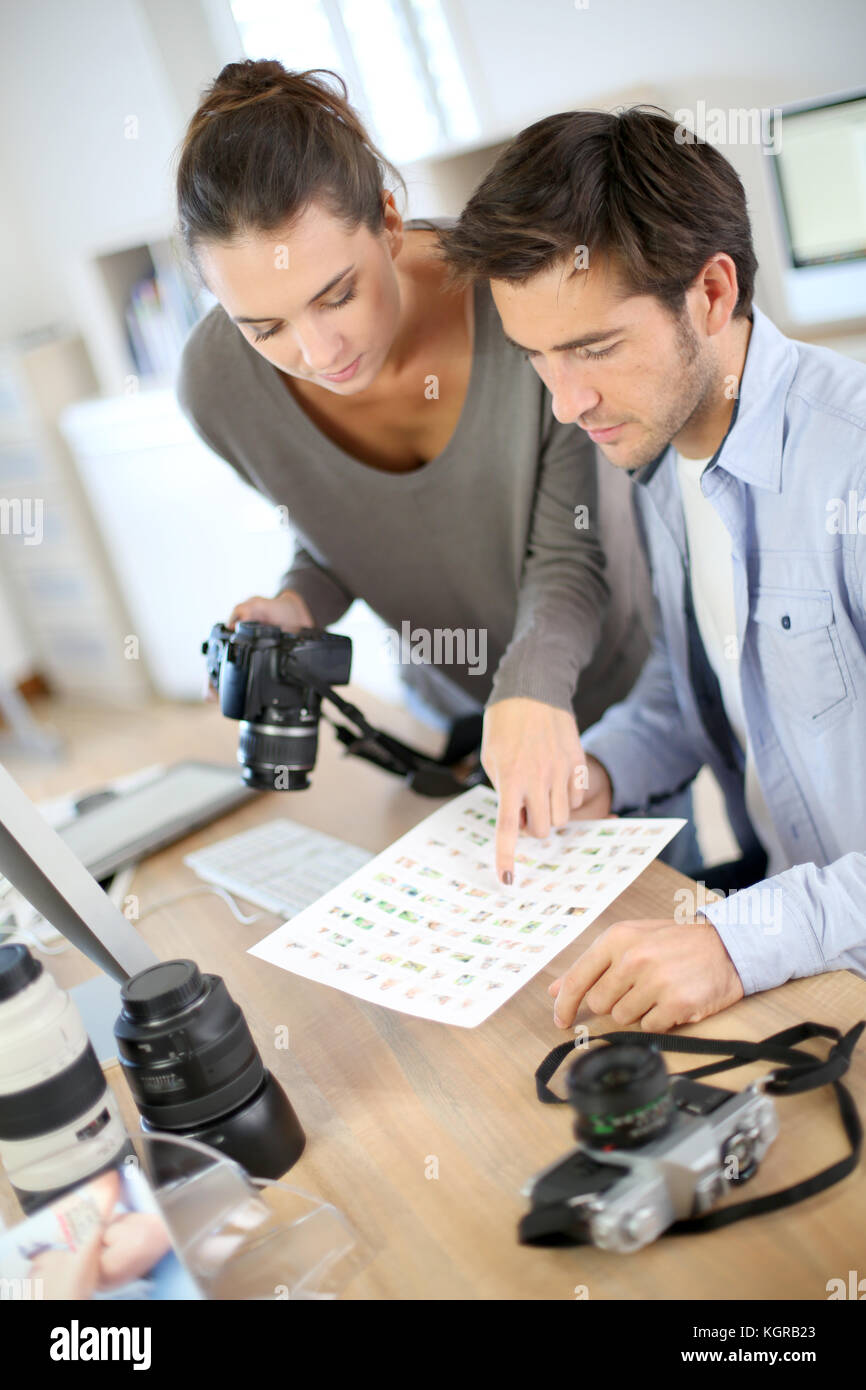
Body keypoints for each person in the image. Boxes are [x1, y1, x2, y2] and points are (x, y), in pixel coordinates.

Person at [173, 59, 697, 879]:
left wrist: (527, 692)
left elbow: (573, 555)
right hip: (450, 714)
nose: (317, 354)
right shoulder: (217, 390)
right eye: (263, 326)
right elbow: (342, 532)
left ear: (387, 220)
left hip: (606, 708)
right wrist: (297, 603)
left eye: (337, 295)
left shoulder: (521, 301)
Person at [439, 106, 866, 1032]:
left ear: (711, 294)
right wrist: (597, 774)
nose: (567, 404)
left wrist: (735, 943)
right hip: (803, 950)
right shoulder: (659, 448)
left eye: (593, 349)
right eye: (538, 360)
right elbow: (695, 690)